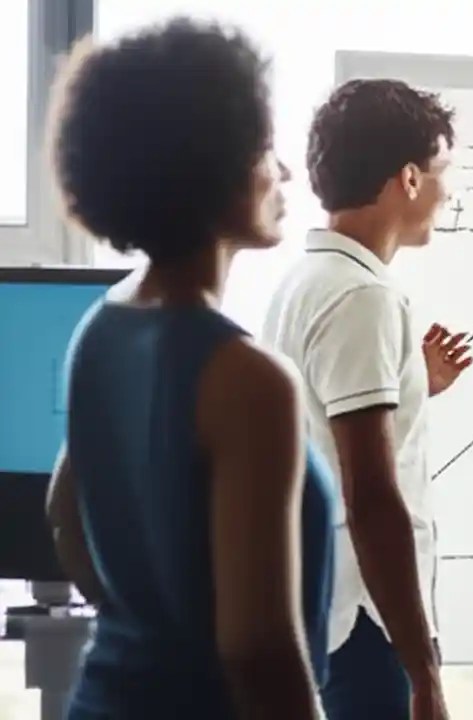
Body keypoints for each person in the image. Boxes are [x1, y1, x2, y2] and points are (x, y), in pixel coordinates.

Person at [42, 17, 334, 719]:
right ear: (214, 168)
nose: (285, 173)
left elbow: (63, 515)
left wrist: (151, 631)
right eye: (266, 149)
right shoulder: (249, 380)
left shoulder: (100, 328)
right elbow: (258, 651)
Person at [261, 78, 470, 720]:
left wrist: (412, 385)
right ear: (409, 178)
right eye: (441, 173)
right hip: (367, 622)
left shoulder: (307, 281)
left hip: (327, 607)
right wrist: (423, 673)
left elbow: (320, 429)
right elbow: (373, 497)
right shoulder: (363, 297)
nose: (447, 192)